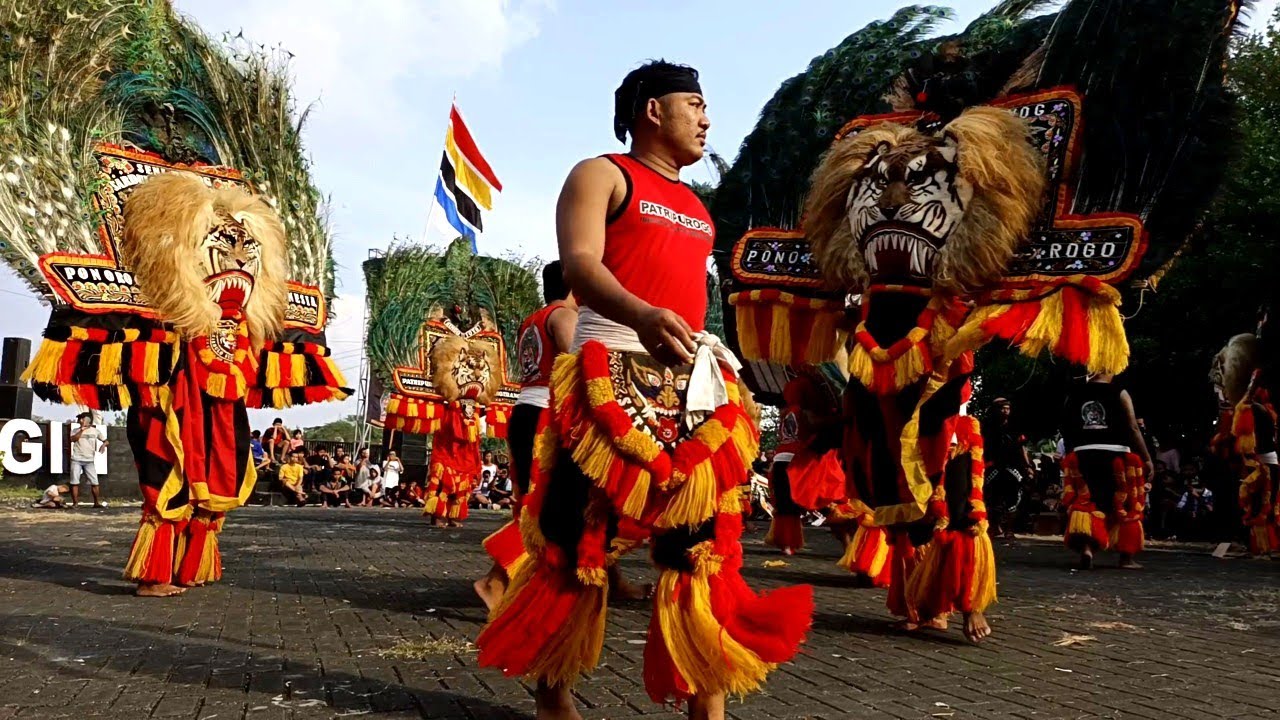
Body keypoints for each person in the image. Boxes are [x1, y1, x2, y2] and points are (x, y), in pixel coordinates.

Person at [476, 60, 812, 720]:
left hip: (690, 391)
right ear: (653, 111)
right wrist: (642, 316)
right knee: (576, 541)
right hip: (608, 379)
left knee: (700, 549)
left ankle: (706, 701)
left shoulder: (698, 208)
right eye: (695, 103)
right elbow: (581, 265)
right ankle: (554, 695)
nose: (707, 117)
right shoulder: (602, 173)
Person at [476, 260, 580, 608]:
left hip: (524, 411)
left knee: (536, 502)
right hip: (544, 415)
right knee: (547, 505)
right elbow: (575, 362)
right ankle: (495, 581)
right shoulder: (564, 316)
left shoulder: (531, 321)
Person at [1060, 373, 1153, 569]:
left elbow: (1066, 428)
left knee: (1087, 501)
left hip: (1083, 454)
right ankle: (1126, 558)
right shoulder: (1120, 392)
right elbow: (1133, 427)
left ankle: (1087, 549)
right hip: (1117, 454)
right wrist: (1146, 458)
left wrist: (1071, 455)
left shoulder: (1074, 393)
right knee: (1125, 503)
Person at [982, 398, 1033, 540]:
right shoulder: (986, 426)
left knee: (1013, 497)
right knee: (991, 498)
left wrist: (1028, 466)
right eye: (1002, 408)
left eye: (1007, 408)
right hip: (993, 466)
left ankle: (1009, 530)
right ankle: (994, 527)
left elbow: (1022, 447)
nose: (1005, 411)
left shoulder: (1015, 426)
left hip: (1012, 466)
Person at [68, 411, 109, 508]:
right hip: (76, 459)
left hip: (89, 461)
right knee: (74, 481)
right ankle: (75, 503)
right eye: (79, 419)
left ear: (87, 420)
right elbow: (73, 439)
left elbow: (106, 441)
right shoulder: (75, 430)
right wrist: (81, 430)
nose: (79, 420)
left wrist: (104, 445)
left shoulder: (95, 431)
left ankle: (96, 503)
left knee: (95, 482)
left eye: (81, 418)